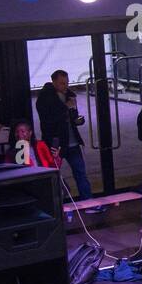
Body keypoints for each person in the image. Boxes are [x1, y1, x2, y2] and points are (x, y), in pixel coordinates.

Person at [35, 69, 91, 198]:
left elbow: (72, 116)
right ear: (53, 82)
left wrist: (77, 120)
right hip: (56, 143)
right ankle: (57, 202)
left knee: (80, 173)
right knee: (54, 174)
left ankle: (88, 201)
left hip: (72, 142)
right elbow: (48, 119)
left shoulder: (69, 96)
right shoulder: (45, 98)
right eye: (62, 83)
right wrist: (66, 107)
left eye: (67, 82)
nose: (66, 86)